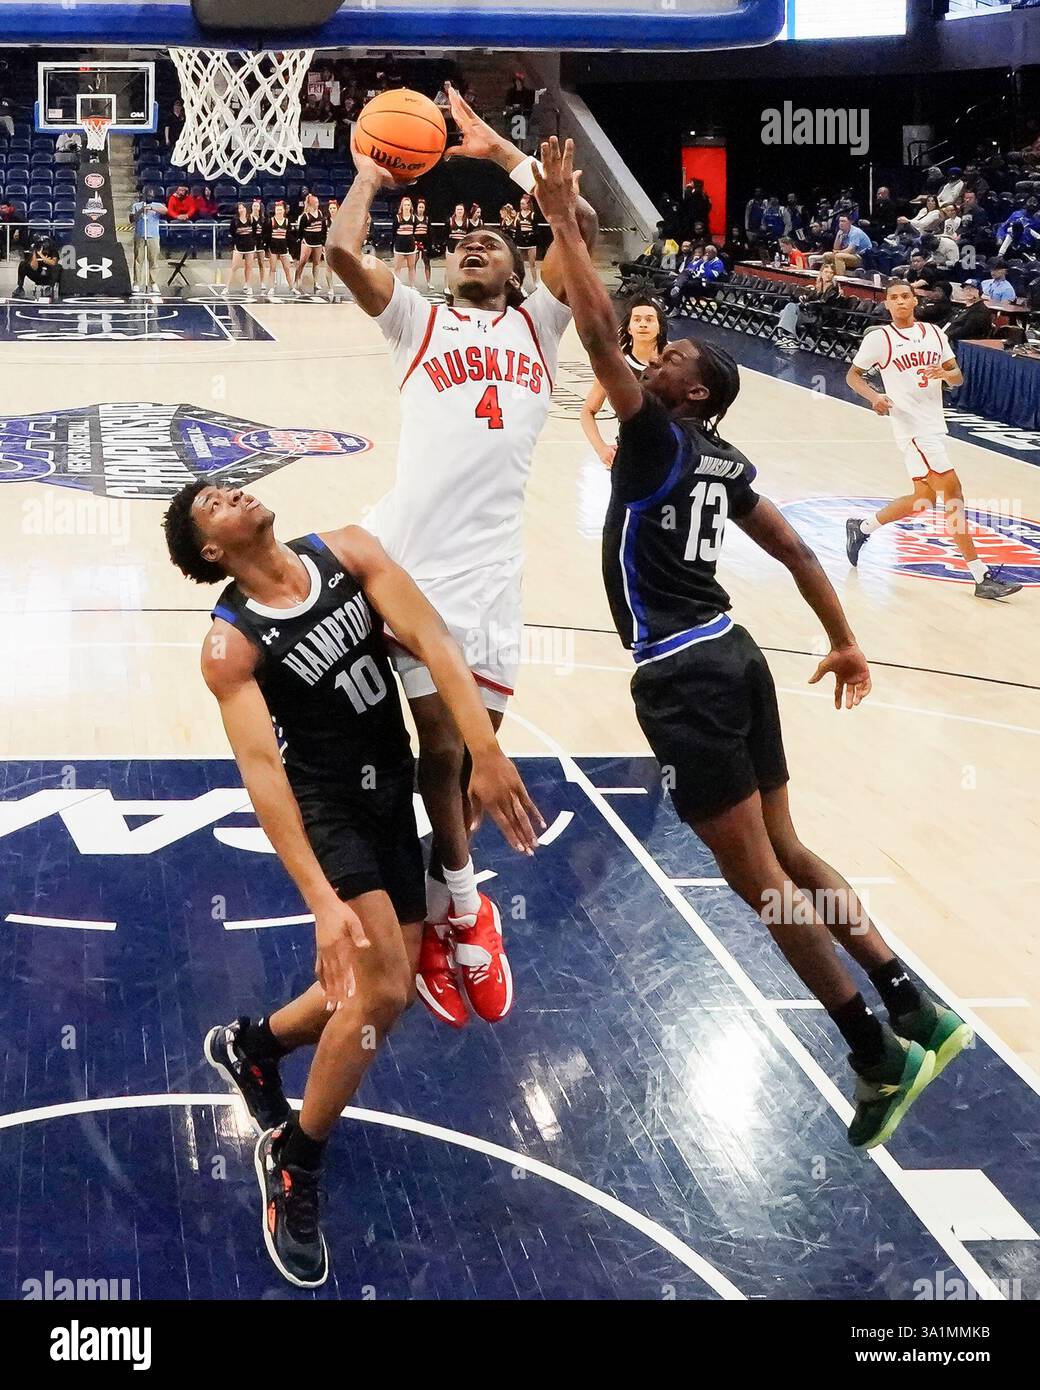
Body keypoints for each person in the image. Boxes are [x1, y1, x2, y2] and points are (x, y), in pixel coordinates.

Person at [534, 137, 972, 1151]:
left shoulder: (653, 434)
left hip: (684, 671)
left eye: (673, 357)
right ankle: (912, 1001)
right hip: (737, 654)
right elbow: (796, 552)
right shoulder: (724, 458)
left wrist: (563, 218)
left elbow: (597, 333)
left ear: (686, 396)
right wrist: (845, 640)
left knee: (756, 879)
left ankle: (872, 1052)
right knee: (788, 847)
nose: (660, 349)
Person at [161, 480, 541, 1286]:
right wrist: (322, 903)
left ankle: (252, 1047)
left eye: (234, 487)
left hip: (386, 789)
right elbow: (263, 774)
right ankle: (295, 1162)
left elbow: (434, 640)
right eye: (218, 504)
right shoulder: (230, 645)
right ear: (212, 551)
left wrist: (487, 748)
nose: (239, 494)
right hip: (324, 806)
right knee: (380, 992)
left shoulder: (347, 550)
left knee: (385, 991)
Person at [326, 88, 597, 1029]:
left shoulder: (543, 328)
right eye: (461, 245)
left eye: (492, 243)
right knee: (440, 748)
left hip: (488, 570)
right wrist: (367, 173)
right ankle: (464, 903)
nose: (472, 245)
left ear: (523, 273)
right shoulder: (418, 323)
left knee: (464, 761)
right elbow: (340, 254)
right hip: (404, 555)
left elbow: (582, 222)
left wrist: (498, 153)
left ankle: (445, 903)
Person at [845, 279, 1020, 601]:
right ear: (887, 304)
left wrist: (946, 375)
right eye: (893, 298)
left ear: (915, 301)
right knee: (954, 493)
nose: (899, 302)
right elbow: (853, 376)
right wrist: (875, 397)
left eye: (905, 296)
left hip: (933, 423)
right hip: (911, 427)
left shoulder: (935, 334)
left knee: (923, 499)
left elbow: (957, 376)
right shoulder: (880, 339)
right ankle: (981, 576)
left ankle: (863, 527)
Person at [582, 295, 667, 468]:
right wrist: (601, 449)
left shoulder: (674, 365)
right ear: (629, 328)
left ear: (660, 327)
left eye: (649, 320)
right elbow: (587, 412)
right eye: (637, 319)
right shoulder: (615, 367)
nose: (643, 324)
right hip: (631, 455)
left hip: (670, 454)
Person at [774, 261, 841, 352]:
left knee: (788, 310)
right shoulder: (818, 286)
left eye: (831, 273)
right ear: (821, 273)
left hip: (820, 317)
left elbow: (823, 303)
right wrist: (804, 298)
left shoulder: (834, 289)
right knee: (788, 309)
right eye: (826, 272)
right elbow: (810, 298)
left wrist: (806, 304)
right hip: (810, 313)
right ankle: (789, 338)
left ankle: (787, 337)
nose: (828, 275)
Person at [130, 186, 167, 294]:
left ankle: (153, 283)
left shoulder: (158, 205)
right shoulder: (136, 206)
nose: (150, 196)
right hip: (140, 235)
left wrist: (151, 208)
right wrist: (141, 210)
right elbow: (131, 219)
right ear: (143, 195)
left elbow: (165, 211)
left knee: (153, 260)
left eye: (151, 195)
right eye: (148, 194)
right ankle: (136, 283)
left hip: (153, 236)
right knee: (138, 260)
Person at [294, 192, 331, 299]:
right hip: (307, 242)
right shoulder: (305, 216)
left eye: (318, 202)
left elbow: (323, 229)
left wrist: (323, 242)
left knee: (316, 263)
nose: (317, 204)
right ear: (310, 204)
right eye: (316, 202)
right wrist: (300, 242)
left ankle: (316, 282)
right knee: (302, 262)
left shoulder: (320, 213)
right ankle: (297, 280)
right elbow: (300, 231)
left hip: (318, 242)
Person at [12, 235, 61, 299]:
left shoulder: (53, 251)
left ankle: (49, 288)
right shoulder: (35, 250)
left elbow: (53, 263)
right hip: (37, 274)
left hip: (48, 276)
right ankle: (20, 287)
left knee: (58, 267)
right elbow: (34, 267)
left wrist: (42, 256)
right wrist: (35, 253)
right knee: (23, 264)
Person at [224, 202, 257, 298]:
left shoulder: (251, 219)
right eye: (239, 208)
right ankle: (227, 287)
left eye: (243, 208)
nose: (241, 210)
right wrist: (234, 244)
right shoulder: (235, 221)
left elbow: (254, 232)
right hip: (239, 246)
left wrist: (253, 242)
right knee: (234, 267)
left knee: (249, 267)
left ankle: (248, 286)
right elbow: (232, 233)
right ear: (237, 210)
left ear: (246, 209)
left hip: (250, 246)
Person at [264, 200, 295, 299]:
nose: (279, 211)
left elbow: (289, 236)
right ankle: (271, 288)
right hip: (273, 247)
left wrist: (290, 249)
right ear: (275, 210)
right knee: (272, 269)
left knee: (287, 269)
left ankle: (292, 287)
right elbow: (267, 235)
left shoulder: (286, 221)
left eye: (281, 210)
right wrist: (266, 248)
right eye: (277, 210)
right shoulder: (271, 221)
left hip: (283, 247)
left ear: (284, 211)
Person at [514, 192, 539, 289]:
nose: (522, 205)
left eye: (524, 203)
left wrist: (531, 235)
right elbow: (516, 228)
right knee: (519, 264)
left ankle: (535, 283)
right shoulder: (518, 214)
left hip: (531, 242)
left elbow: (536, 229)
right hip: (520, 242)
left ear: (528, 204)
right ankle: (519, 284)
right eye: (521, 204)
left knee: (532, 263)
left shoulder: (532, 215)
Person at [392, 194, 418, 287]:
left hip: (410, 245)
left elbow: (414, 231)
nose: (406, 207)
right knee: (397, 268)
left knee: (411, 267)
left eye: (408, 205)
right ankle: (397, 286)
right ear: (402, 206)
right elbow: (394, 232)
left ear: (410, 207)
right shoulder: (398, 218)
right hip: (399, 245)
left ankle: (412, 285)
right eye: (405, 205)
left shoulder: (414, 218)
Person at [413, 196, 433, 290]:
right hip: (415, 242)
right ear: (417, 208)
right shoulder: (413, 218)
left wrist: (430, 244)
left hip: (425, 242)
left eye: (422, 207)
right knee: (414, 263)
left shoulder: (427, 219)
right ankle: (412, 283)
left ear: (424, 208)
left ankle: (429, 282)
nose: (421, 209)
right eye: (419, 207)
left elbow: (430, 232)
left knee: (427, 263)